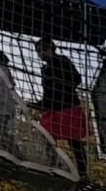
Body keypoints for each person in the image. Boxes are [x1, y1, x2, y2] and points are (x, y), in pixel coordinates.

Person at [30, 36, 89, 178]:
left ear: (52, 49)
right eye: (38, 51)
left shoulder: (62, 61)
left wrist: (61, 82)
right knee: (48, 136)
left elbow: (77, 79)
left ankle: (82, 173)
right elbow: (48, 92)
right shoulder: (44, 69)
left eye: (44, 49)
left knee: (74, 140)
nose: (41, 54)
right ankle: (55, 166)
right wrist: (40, 104)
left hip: (68, 105)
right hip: (53, 108)